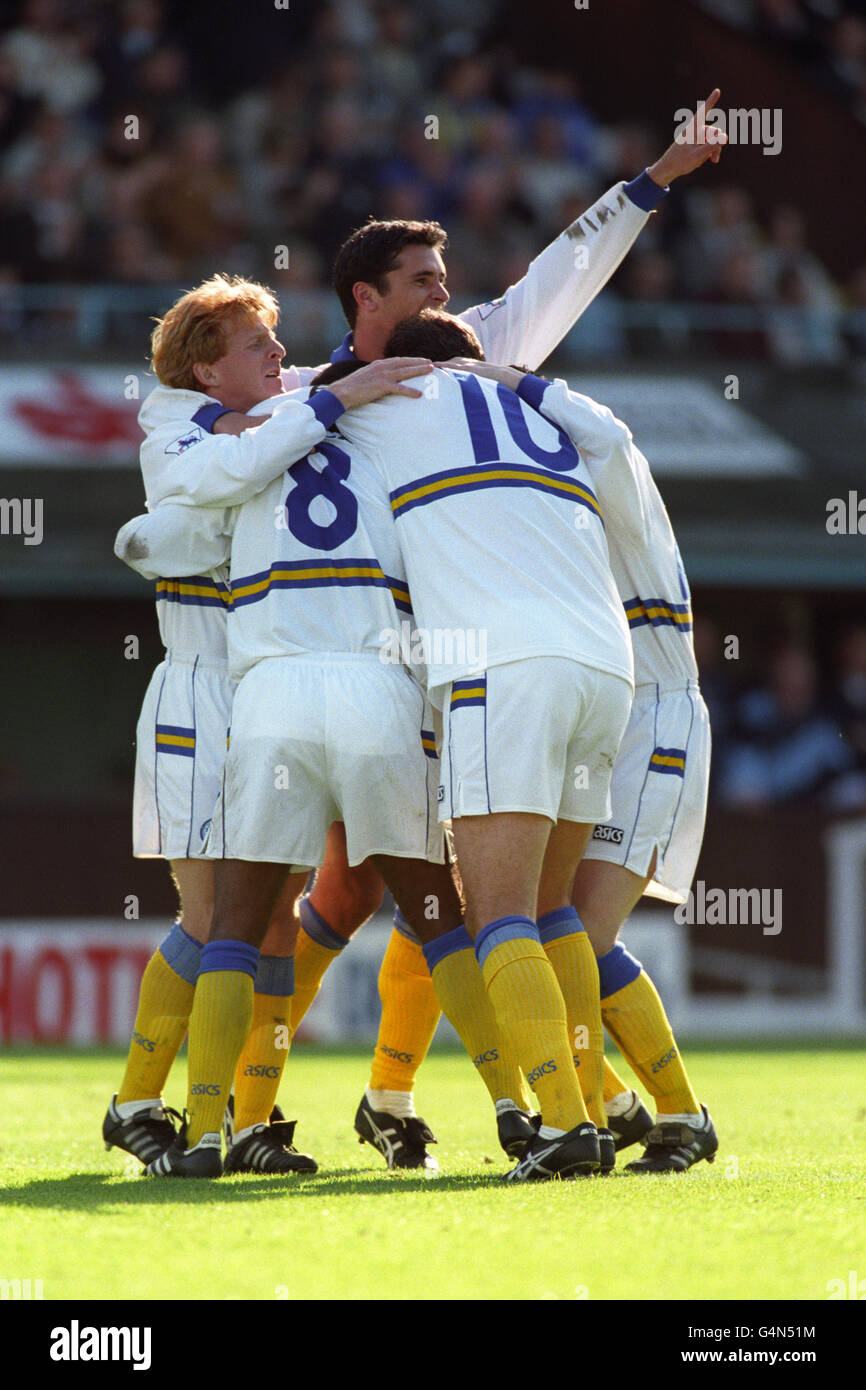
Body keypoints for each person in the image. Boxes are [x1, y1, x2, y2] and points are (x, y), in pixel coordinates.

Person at [104, 270, 432, 1174]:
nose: (280, 357)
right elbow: (182, 518)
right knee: (220, 921)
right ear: (207, 372)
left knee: (271, 922)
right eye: (259, 345)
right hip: (206, 693)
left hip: (265, 696)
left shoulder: (282, 423)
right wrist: (320, 406)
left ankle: (248, 1118)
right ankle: (141, 1102)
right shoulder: (180, 431)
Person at [334, 318, 635, 1182]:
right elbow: (612, 441)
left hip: (502, 667)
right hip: (603, 666)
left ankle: (568, 1126)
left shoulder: (384, 397)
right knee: (553, 914)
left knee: (497, 915)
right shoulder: (543, 410)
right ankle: (595, 1106)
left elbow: (262, 410)